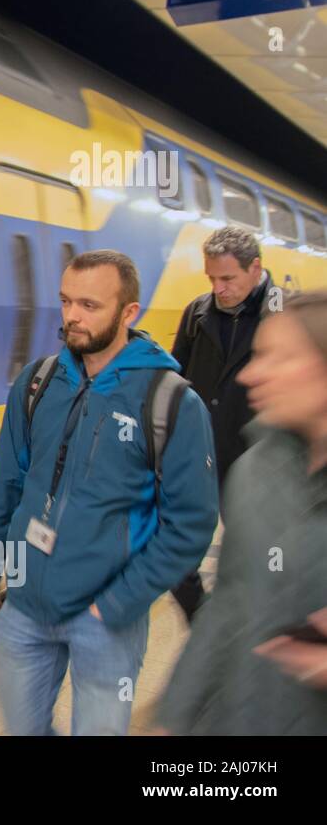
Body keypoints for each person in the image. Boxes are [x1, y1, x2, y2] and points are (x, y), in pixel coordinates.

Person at [0, 249, 219, 735]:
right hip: (24, 609)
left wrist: (120, 603)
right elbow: (5, 481)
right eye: (65, 302)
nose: (72, 318)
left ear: (129, 313)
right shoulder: (37, 383)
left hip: (105, 619)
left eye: (89, 305)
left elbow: (190, 524)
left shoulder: (171, 401)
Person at [154, 290, 327, 734]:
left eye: (278, 357)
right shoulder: (253, 472)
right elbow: (225, 609)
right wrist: (175, 717)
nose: (250, 375)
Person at [167, 226, 275, 623]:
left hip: (257, 462)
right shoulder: (197, 314)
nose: (219, 288)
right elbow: (174, 378)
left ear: (255, 268)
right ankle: (205, 627)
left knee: (259, 561)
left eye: (228, 278)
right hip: (199, 457)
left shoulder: (284, 316)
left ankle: (247, 638)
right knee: (177, 558)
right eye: (212, 278)